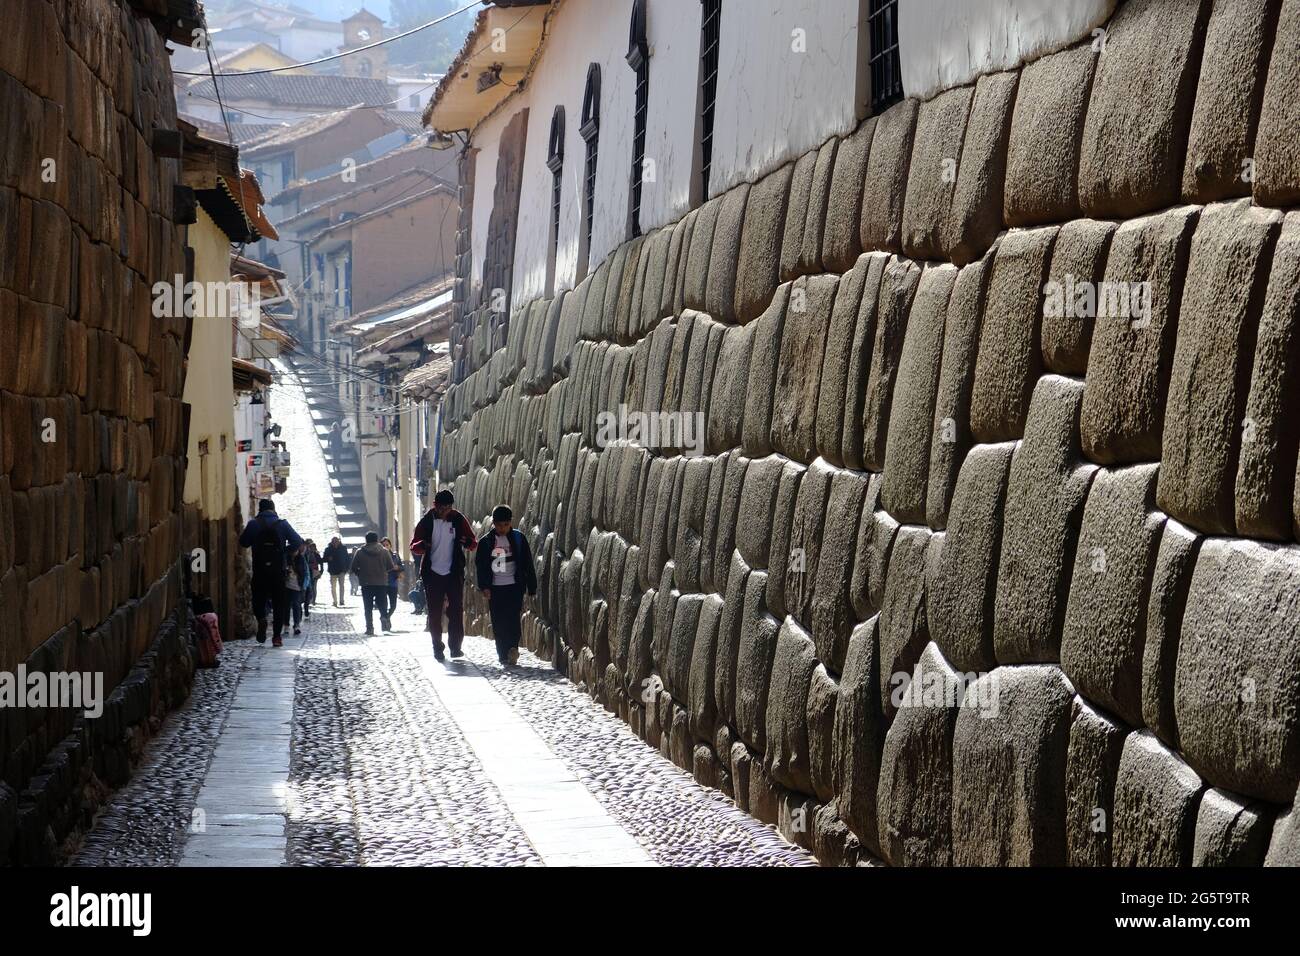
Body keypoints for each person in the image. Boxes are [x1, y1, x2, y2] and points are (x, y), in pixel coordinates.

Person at [409, 489, 477, 662]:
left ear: (451, 507)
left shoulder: (458, 519)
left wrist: (467, 542)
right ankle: (437, 647)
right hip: (432, 574)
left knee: (456, 610)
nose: (444, 511)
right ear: (435, 505)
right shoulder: (426, 521)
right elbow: (414, 546)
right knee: (434, 612)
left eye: (447, 507)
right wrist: (423, 544)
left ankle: (455, 648)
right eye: (440, 507)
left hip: (453, 572)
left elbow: (472, 542)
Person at [475, 505, 537, 666]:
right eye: (499, 525)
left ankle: (512, 648)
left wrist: (531, 586)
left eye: (506, 525)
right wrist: (485, 587)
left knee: (513, 619)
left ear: (511, 523)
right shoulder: (487, 542)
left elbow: (527, 563)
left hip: (514, 586)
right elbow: (481, 566)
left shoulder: (518, 539)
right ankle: (502, 653)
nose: (502, 528)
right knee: (498, 621)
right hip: (495, 588)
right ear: (493, 523)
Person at [238, 498, 303, 648]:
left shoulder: (254, 524)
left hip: (260, 569)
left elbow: (243, 542)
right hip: (278, 571)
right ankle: (276, 637)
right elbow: (297, 541)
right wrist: (283, 552)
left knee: (258, 599)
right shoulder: (282, 524)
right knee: (279, 603)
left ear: (260, 509)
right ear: (273, 509)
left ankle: (261, 618)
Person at [350, 532, 400, 635]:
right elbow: (390, 566)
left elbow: (353, 567)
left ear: (366, 540)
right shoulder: (384, 551)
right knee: (382, 604)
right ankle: (383, 618)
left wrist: (360, 574)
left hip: (366, 583)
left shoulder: (360, 552)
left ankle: (370, 628)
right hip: (381, 582)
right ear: (377, 540)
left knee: (367, 607)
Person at [286, 544, 309, 636]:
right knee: (286, 606)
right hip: (286, 585)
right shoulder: (286, 558)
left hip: (297, 586)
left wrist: (304, 586)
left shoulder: (301, 559)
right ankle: (286, 625)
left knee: (296, 605)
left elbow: (305, 573)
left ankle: (296, 625)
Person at [322, 537, 350, 607]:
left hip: (341, 570)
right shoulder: (328, 549)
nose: (335, 543)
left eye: (336, 541)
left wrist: (347, 568)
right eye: (334, 542)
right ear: (331, 542)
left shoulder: (343, 548)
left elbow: (347, 558)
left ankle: (341, 601)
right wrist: (328, 558)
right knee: (333, 587)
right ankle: (335, 601)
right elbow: (324, 559)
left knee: (342, 586)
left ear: (339, 541)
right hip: (332, 571)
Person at [304, 539, 323, 613]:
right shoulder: (304, 553)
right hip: (307, 573)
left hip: (313, 572)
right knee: (309, 588)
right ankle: (309, 601)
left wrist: (321, 571)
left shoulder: (314, 554)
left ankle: (312, 600)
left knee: (313, 587)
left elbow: (319, 562)